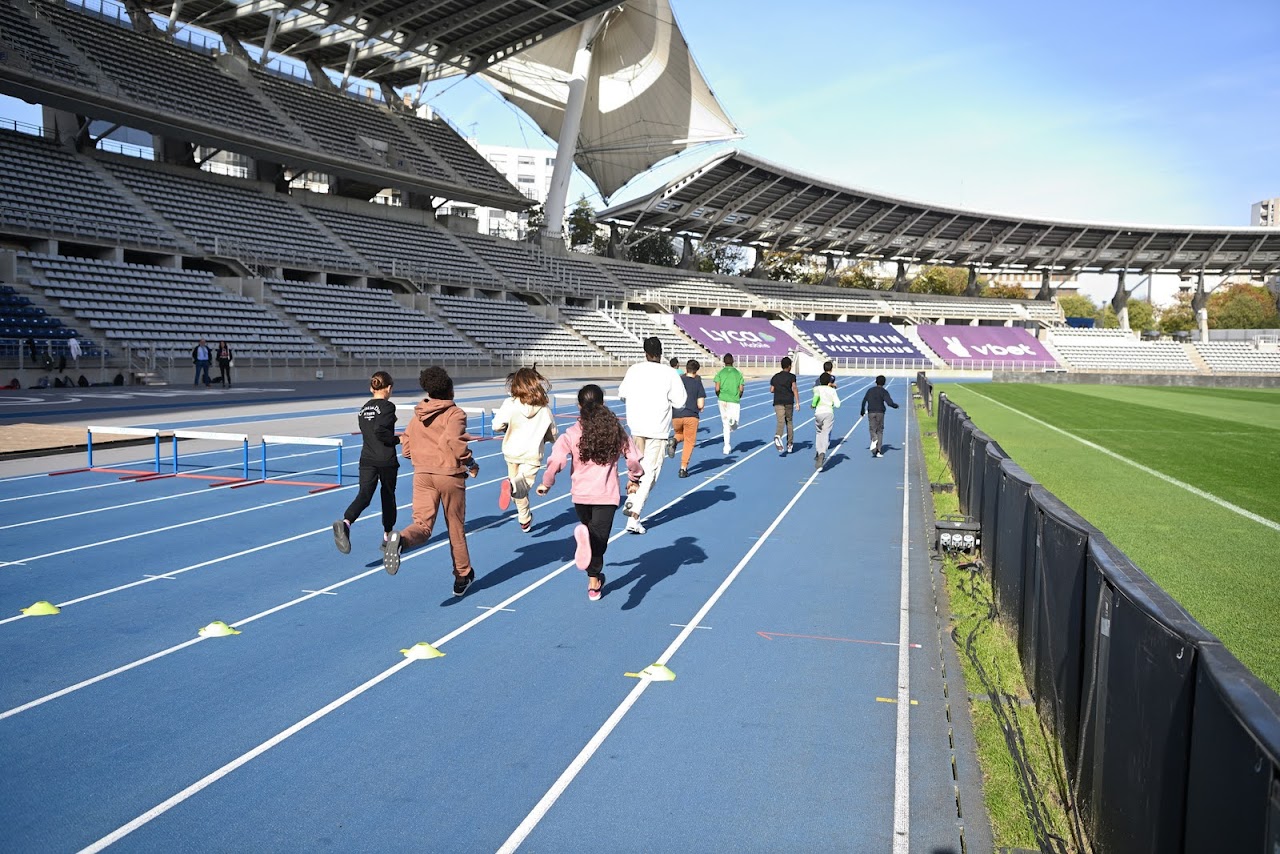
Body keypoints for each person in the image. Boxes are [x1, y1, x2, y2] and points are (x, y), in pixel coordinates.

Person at [537, 384, 642, 601]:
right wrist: (634, 478)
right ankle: (593, 581)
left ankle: (589, 557)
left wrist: (547, 482)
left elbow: (557, 459)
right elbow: (632, 457)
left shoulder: (571, 433)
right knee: (599, 542)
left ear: (579, 406)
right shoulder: (616, 430)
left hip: (580, 496)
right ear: (603, 404)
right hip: (606, 495)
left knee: (591, 535)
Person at [383, 366, 479, 596]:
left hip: (422, 475)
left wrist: (423, 457)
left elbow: (406, 449)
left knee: (422, 527)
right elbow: (455, 442)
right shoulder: (455, 414)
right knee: (455, 527)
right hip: (449, 475)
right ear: (450, 389)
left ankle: (401, 539)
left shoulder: (418, 416)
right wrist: (470, 462)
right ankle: (462, 576)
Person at [617, 336, 685, 535]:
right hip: (657, 429)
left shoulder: (634, 370)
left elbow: (622, 394)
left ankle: (632, 499)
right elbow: (680, 402)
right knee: (650, 474)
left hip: (636, 427)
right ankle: (634, 514)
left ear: (645, 352)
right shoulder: (669, 373)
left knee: (636, 468)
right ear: (660, 353)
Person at [333, 371, 399, 555]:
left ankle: (346, 522)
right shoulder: (388, 406)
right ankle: (387, 536)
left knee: (364, 495)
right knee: (388, 495)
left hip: (367, 458)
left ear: (372, 388)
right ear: (389, 388)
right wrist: (397, 440)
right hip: (385, 459)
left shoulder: (364, 409)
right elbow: (380, 431)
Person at [492, 367, 556, 533]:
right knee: (521, 486)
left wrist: (506, 427)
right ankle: (512, 488)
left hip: (511, 452)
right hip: (531, 455)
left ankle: (524, 519)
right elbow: (553, 433)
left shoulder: (509, 404)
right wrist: (549, 439)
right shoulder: (544, 409)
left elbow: (496, 425)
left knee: (518, 489)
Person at [672, 359, 706, 477]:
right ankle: (683, 468)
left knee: (679, 434)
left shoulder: (678, 381)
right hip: (691, 415)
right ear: (696, 371)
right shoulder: (697, 383)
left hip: (676, 415)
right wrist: (700, 408)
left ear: (686, 369)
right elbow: (700, 404)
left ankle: (674, 440)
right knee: (689, 441)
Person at [712, 353, 745, 454]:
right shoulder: (738, 373)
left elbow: (717, 388)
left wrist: (719, 395)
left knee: (725, 424)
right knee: (734, 425)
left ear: (724, 362)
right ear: (733, 361)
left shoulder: (720, 373)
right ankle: (732, 422)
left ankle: (726, 447)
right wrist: (738, 396)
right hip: (734, 400)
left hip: (722, 399)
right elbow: (741, 389)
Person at [861, 374, 899, 458]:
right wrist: (895, 406)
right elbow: (889, 403)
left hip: (871, 412)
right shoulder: (884, 391)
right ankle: (878, 451)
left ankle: (874, 439)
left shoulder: (870, 390)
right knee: (880, 431)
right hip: (880, 412)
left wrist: (862, 411)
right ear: (884, 383)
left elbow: (864, 400)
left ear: (876, 382)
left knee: (872, 429)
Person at [769, 356, 800, 455]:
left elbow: (771, 390)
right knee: (789, 421)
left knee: (780, 420)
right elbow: (794, 388)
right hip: (789, 401)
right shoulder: (792, 377)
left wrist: (779, 389)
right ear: (789, 366)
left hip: (778, 401)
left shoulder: (775, 377)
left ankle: (778, 435)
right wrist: (797, 402)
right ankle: (790, 444)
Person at [811, 372, 841, 471]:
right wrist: (832, 403)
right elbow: (838, 404)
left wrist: (813, 405)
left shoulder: (817, 389)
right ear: (829, 381)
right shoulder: (832, 390)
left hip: (818, 413)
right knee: (825, 433)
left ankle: (818, 451)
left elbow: (816, 397)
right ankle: (822, 453)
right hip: (828, 413)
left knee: (819, 432)